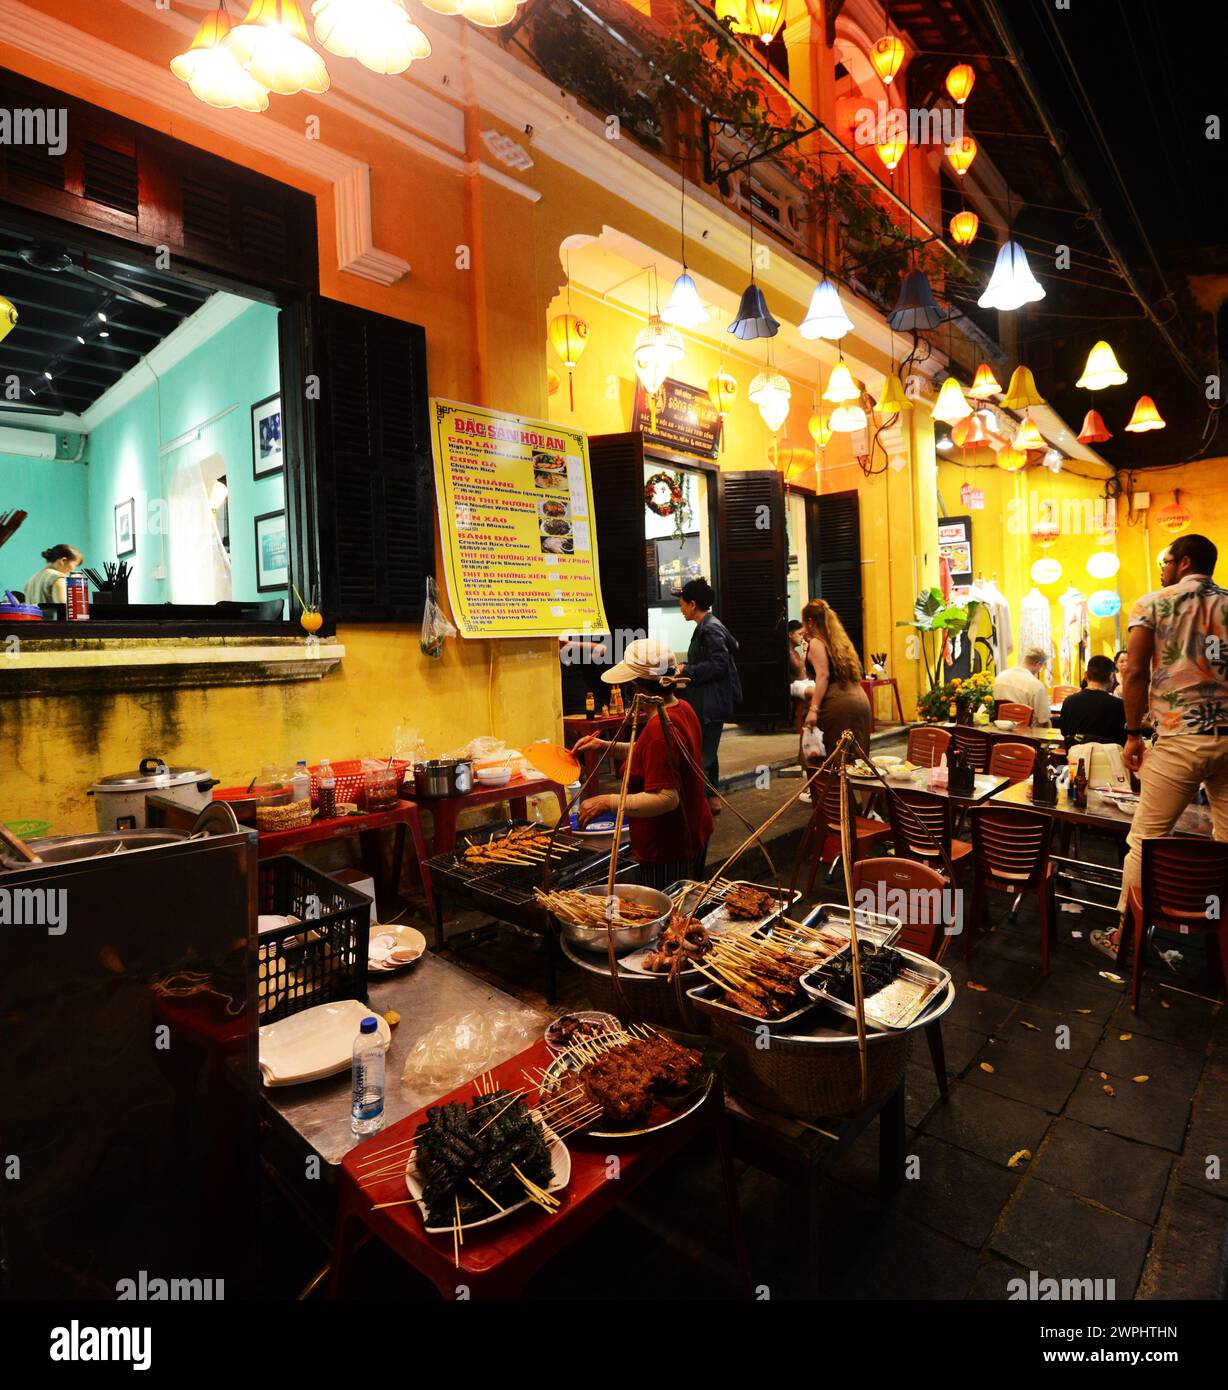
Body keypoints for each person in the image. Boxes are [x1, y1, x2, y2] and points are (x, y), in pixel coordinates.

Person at [1093, 534, 1228, 958]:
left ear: (1183, 562)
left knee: (1146, 839)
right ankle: (1220, 936)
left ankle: (1123, 938)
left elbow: (1133, 673)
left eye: (1166, 562)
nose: (1163, 569)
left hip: (1178, 736)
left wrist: (1133, 733)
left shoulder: (1153, 603)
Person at [572, 637, 713, 890]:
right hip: (693, 831)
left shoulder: (661, 728)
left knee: (667, 918)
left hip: (669, 845)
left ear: (635, 687)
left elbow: (667, 798)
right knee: (686, 911)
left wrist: (608, 801)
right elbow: (654, 754)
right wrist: (604, 746)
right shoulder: (681, 708)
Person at [675, 577, 741, 811]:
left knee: (703, 753)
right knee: (708, 747)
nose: (680, 608)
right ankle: (713, 799)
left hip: (711, 701)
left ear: (692, 604)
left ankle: (696, 805)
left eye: (682, 604)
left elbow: (718, 664)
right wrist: (686, 667)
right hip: (706, 698)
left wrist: (688, 670)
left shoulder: (710, 629)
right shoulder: (708, 626)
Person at [800, 598, 870, 763]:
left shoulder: (817, 642)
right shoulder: (839, 641)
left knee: (831, 761)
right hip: (860, 700)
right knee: (857, 760)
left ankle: (831, 790)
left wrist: (813, 709)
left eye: (804, 623)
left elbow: (823, 675)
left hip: (838, 704)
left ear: (810, 622)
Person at [1059, 654, 1126, 749]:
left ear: (1086, 675)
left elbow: (1064, 733)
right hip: (1109, 761)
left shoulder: (1069, 702)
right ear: (1111, 677)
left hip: (1076, 761)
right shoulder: (1119, 705)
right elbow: (1124, 740)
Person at [992, 647, 1052, 726]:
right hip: (1027, 734)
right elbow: (1043, 719)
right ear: (1038, 664)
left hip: (1000, 731)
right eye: (1041, 668)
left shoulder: (1000, 677)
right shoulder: (1036, 686)